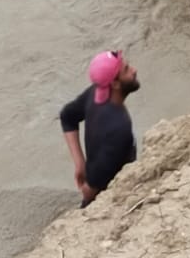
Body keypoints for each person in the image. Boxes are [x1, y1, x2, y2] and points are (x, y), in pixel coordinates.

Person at [58, 49, 139, 206]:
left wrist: (79, 163)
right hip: (111, 199)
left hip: (97, 171)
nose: (134, 70)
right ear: (115, 84)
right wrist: (88, 191)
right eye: (126, 70)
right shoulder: (119, 129)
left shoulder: (95, 94)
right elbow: (91, 189)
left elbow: (67, 116)